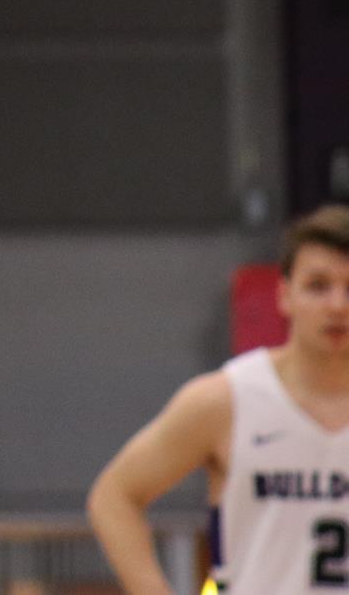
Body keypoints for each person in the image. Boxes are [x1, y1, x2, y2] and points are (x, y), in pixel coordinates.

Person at [89, 204, 349, 594]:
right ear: (284, 295)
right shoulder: (227, 400)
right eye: (318, 286)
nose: (337, 305)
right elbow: (114, 497)